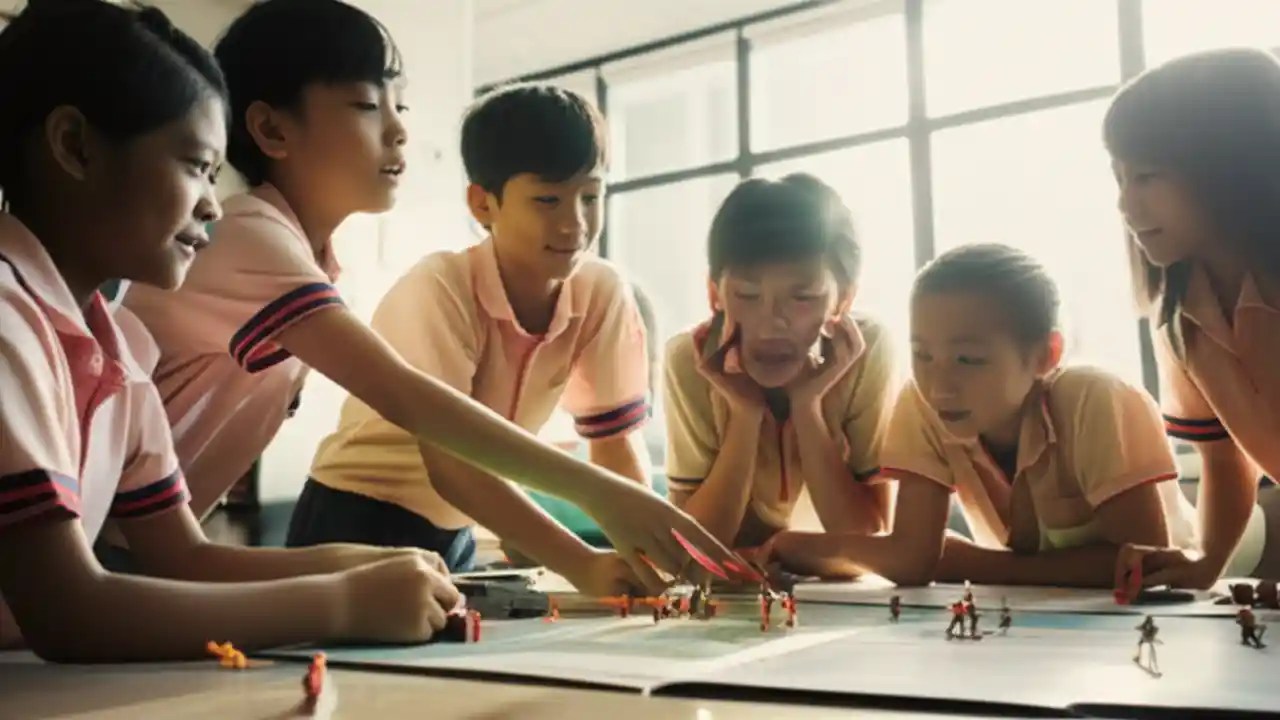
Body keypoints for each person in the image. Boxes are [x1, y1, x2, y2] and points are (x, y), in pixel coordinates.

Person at [120, 0, 742, 590]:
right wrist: (604, 499)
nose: (397, 132)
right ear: (270, 128)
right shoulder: (249, 237)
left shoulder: (305, 259)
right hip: (108, 544)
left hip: (144, 547)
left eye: (402, 108)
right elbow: (412, 399)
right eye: (366, 106)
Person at [0, 0, 455, 661]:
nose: (214, 204)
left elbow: (185, 554)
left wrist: (359, 566)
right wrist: (342, 601)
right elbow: (69, 611)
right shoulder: (10, 322)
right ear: (75, 147)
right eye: (196, 167)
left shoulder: (121, 351)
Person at [295, 84, 655, 592]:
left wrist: (646, 555)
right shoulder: (439, 288)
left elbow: (616, 445)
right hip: (354, 518)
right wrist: (580, 563)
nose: (574, 223)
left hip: (456, 529)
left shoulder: (602, 291)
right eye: (547, 199)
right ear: (483, 204)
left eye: (591, 196)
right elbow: (453, 464)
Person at [762, 244, 1198, 587]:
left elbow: (1140, 561)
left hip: (1196, 587)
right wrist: (791, 546)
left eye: (968, 359)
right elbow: (914, 562)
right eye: (922, 355)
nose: (940, 384)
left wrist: (978, 563)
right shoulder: (923, 404)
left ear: (1047, 355)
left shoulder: (1093, 399)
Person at [1105, 47, 1280, 589]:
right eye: (1119, 177)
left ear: (1230, 167)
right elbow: (1225, 458)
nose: (1124, 203)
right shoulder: (1181, 318)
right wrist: (1206, 565)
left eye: (1147, 175)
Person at [663, 174, 895, 552]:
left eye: (802, 297)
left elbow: (868, 539)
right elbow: (692, 549)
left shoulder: (867, 351)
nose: (771, 322)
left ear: (844, 301)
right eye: (747, 294)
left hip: (828, 595)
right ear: (714, 294)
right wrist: (744, 415)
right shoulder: (690, 360)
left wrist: (808, 406)